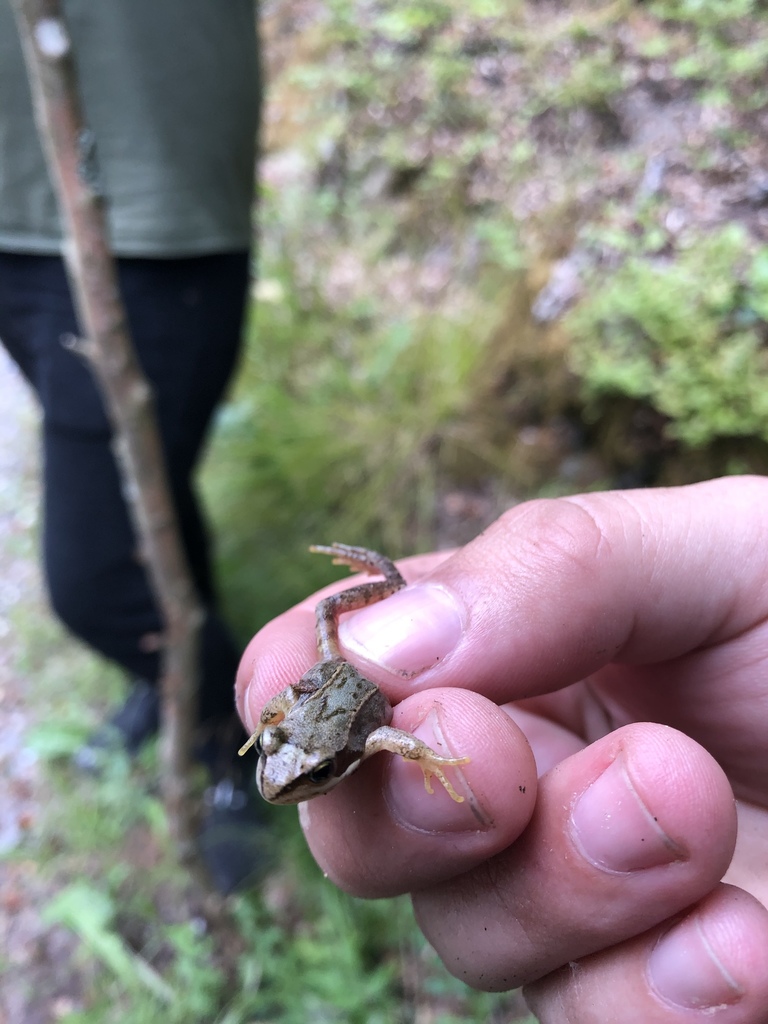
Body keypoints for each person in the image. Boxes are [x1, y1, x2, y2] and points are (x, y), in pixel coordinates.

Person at [236, 475, 768, 1019]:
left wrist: (431, 757)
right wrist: (276, 723)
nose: (281, 782)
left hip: (363, 688)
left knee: (330, 619)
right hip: (331, 693)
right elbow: (303, 710)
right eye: (268, 745)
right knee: (326, 617)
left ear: (333, 764)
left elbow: (387, 737)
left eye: (318, 773)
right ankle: (386, 583)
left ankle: (388, 575)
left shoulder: (363, 741)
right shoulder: (308, 737)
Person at [0, 0, 264, 894]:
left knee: (94, 579)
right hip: (15, 203)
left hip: (145, 199)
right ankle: (175, 675)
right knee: (147, 495)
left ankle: (247, 750)